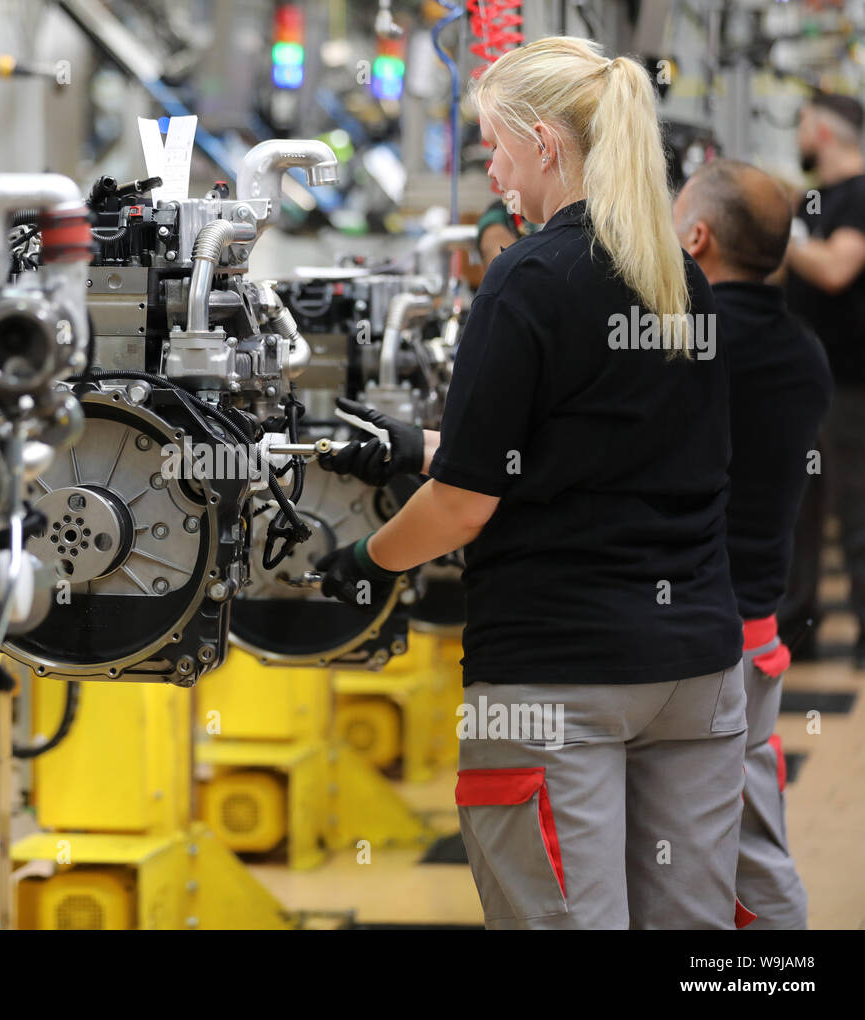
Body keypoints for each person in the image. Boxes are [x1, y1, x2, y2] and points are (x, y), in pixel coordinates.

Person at [317, 36, 745, 929]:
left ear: (545, 144)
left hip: (559, 678)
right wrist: (430, 445)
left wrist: (367, 559)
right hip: (696, 668)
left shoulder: (525, 281)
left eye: (496, 150)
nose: (496, 175)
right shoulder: (683, 282)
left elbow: (468, 508)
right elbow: (600, 451)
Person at [674, 158, 831, 928]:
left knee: (685, 849)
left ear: (696, 237)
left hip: (694, 643)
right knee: (753, 839)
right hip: (758, 630)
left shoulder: (683, 347)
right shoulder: (803, 351)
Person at [781, 93, 865, 667]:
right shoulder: (815, 200)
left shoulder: (859, 195)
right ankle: (797, 629)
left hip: (851, 381)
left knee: (854, 510)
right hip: (806, 384)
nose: (799, 136)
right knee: (796, 509)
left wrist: (776, 233)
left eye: (803, 125)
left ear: (826, 133)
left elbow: (837, 268)